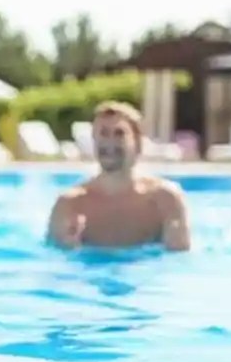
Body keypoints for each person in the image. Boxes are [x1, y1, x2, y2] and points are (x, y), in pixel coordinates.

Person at [47, 101, 191, 251]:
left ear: (138, 144)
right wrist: (68, 247)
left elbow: (179, 259)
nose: (110, 142)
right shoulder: (70, 205)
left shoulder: (165, 200)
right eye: (103, 133)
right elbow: (52, 259)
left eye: (119, 133)